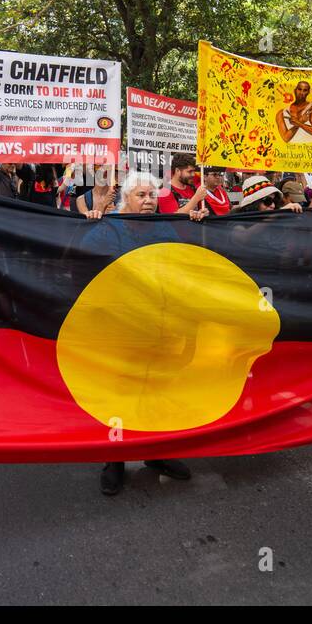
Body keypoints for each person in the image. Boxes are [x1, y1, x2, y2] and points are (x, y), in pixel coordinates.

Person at [83, 169, 198, 495]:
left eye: (151, 195)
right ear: (126, 200)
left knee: (155, 392)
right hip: (119, 331)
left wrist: (202, 222)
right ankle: (115, 460)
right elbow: (85, 257)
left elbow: (181, 261)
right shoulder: (107, 229)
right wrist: (92, 219)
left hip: (157, 326)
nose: (148, 201)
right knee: (119, 396)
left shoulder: (161, 229)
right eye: (141, 195)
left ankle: (155, 452)